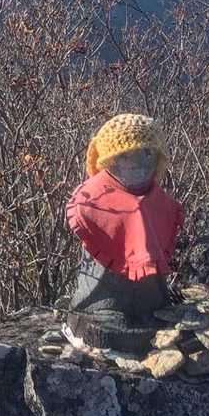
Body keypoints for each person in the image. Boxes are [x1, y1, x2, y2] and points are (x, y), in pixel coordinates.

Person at [65, 113, 184, 351]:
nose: (140, 162)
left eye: (148, 153)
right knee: (103, 284)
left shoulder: (156, 198)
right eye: (126, 155)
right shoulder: (94, 199)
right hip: (103, 294)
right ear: (110, 161)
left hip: (149, 293)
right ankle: (102, 306)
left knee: (152, 293)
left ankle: (149, 302)